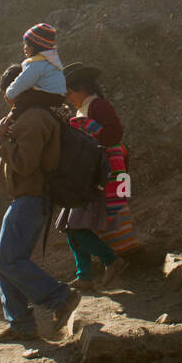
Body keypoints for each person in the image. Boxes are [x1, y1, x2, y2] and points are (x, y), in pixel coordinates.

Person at [0, 65, 81, 343]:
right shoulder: (32, 115)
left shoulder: (33, 118)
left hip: (31, 198)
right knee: (4, 260)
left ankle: (60, 297)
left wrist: (1, 142)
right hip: (28, 198)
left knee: (7, 259)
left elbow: (25, 163)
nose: (7, 99)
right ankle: (20, 322)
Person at [64, 62, 138, 262]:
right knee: (107, 211)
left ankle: (126, 256)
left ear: (82, 89)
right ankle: (118, 257)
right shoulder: (84, 109)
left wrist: (86, 125)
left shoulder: (98, 105)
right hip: (101, 169)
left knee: (115, 210)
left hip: (111, 168)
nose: (69, 99)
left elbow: (114, 134)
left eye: (70, 93)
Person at [3, 24, 67, 104]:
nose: (24, 48)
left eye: (26, 44)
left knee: (20, 107)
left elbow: (23, 81)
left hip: (44, 98)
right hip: (60, 98)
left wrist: (9, 93)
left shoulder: (35, 64)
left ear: (34, 46)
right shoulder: (53, 62)